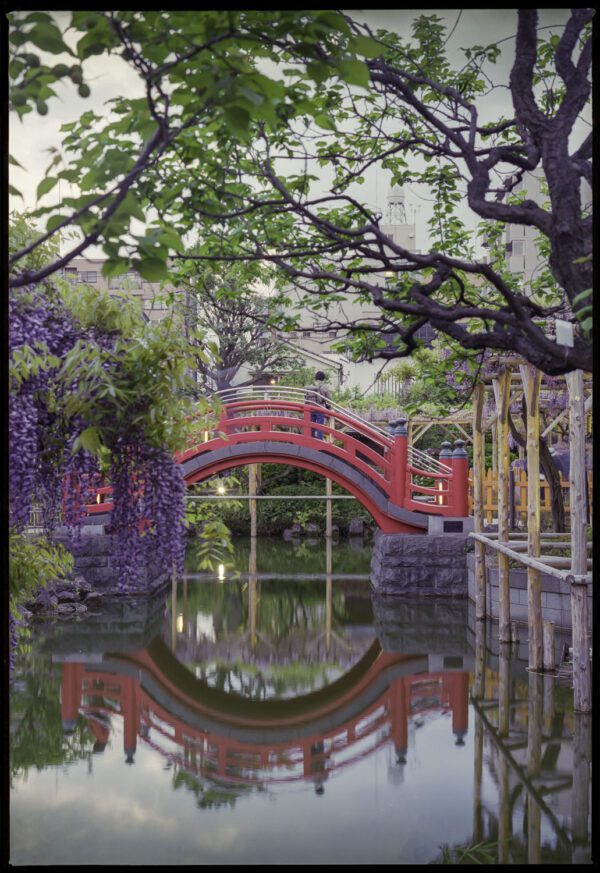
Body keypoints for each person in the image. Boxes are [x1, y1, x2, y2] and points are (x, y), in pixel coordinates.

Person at [306, 371, 332, 439]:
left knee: (311, 425)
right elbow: (329, 398)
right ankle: (319, 441)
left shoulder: (310, 386)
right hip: (320, 408)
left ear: (315, 377)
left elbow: (306, 398)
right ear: (323, 378)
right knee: (320, 426)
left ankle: (310, 440)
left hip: (311, 408)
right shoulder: (324, 387)